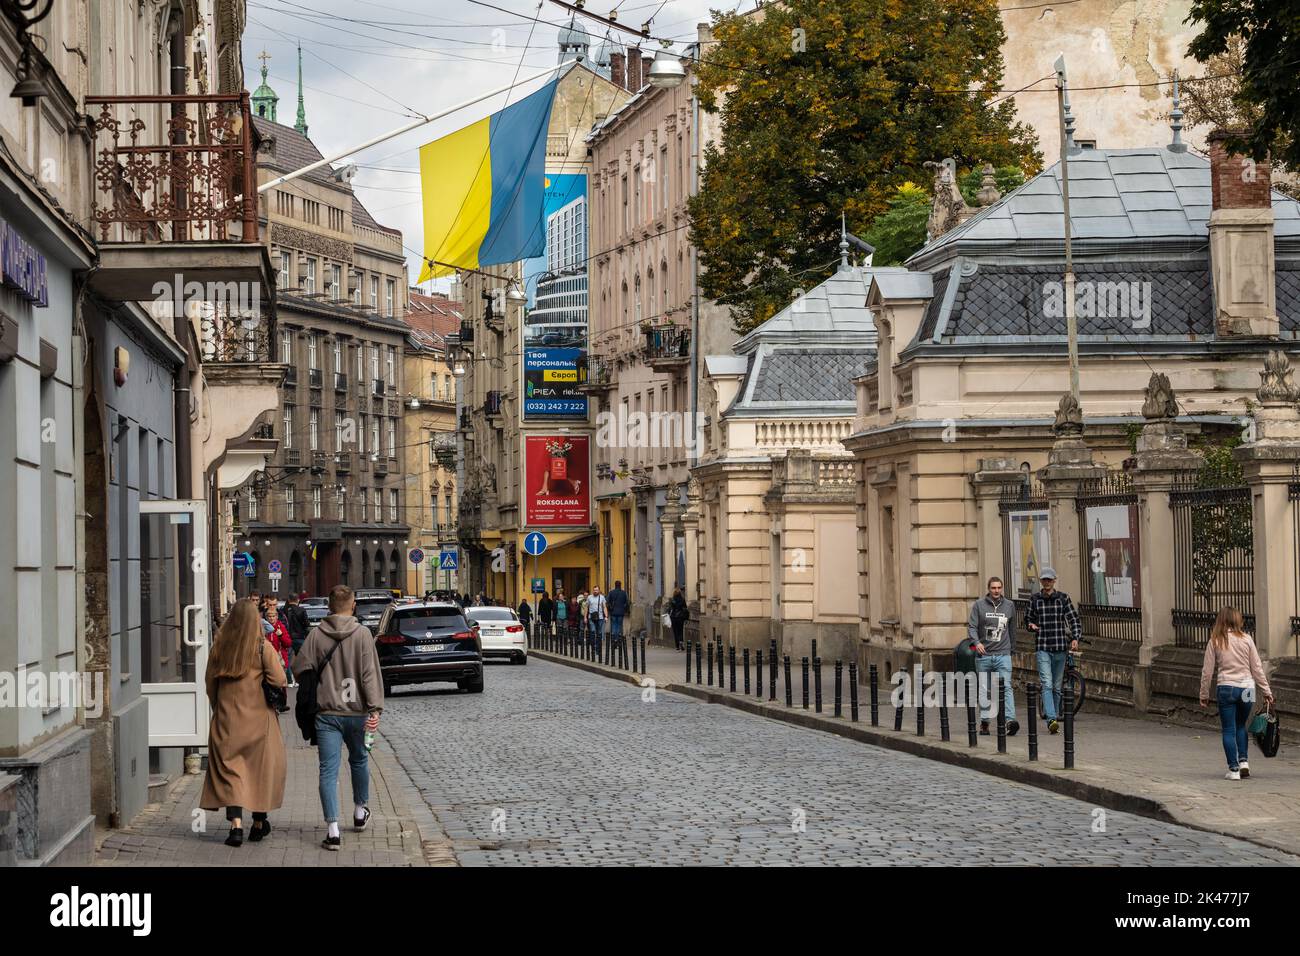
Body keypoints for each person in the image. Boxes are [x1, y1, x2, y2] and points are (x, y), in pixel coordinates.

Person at [292, 585, 384, 850]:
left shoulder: (316, 635)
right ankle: (359, 812)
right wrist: (375, 708)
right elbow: (369, 674)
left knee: (328, 770)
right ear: (353, 605)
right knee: (359, 760)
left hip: (327, 713)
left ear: (329, 607)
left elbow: (298, 668)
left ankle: (333, 831)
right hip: (357, 712)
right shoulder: (364, 634)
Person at [199, 599, 287, 847]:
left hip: (228, 721)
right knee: (259, 772)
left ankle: (235, 827)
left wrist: (220, 707)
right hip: (259, 721)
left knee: (232, 773)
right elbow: (279, 678)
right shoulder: (262, 648)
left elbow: (210, 685)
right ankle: (258, 824)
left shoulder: (220, 648)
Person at [1200, 606, 1273, 780]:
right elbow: (1257, 668)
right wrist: (1266, 691)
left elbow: (1207, 671)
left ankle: (1233, 770)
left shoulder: (1215, 640)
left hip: (1226, 688)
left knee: (1228, 729)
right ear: (1238, 620)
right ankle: (1244, 762)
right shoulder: (1247, 639)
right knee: (1241, 726)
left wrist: (1204, 694)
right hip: (1247, 689)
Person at [1024, 567, 1081, 734]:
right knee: (1047, 684)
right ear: (1041, 581)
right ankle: (1051, 719)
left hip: (1060, 648)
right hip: (1043, 647)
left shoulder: (1063, 599)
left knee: (1057, 686)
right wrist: (1031, 625)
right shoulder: (1035, 600)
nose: (1047, 582)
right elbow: (1028, 618)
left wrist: (1076, 637)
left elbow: (1074, 619)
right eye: (1044, 580)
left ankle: (1054, 716)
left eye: (1050, 579)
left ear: (1054, 580)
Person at [967, 576, 1019, 736]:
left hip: (1003, 655)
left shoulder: (1009, 606)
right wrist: (977, 643)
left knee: (1006, 688)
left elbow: (1012, 630)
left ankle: (1010, 721)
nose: (996, 591)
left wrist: (1012, 650)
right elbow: (972, 627)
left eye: (999, 588)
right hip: (984, 656)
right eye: (993, 588)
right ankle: (985, 721)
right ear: (989, 589)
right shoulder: (979, 605)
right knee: (985, 689)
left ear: (1002, 589)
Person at [264, 604, 294, 687]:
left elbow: (288, 643)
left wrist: (281, 635)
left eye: (273, 616)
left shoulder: (281, 627)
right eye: (269, 616)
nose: (271, 618)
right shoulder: (263, 628)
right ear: (266, 617)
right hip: (267, 659)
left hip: (279, 659)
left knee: (281, 684)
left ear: (277, 616)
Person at [607, 580, 630, 650]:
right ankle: (619, 640)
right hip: (621, 612)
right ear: (620, 585)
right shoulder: (624, 593)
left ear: (615, 585)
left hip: (613, 612)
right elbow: (627, 602)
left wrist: (610, 608)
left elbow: (607, 601)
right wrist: (625, 609)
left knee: (614, 626)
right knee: (619, 626)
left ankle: (614, 640)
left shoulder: (611, 592)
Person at [588, 585, 608, 657]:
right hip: (591, 618)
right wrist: (585, 617)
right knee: (593, 632)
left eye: (596, 590)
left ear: (599, 591)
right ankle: (593, 648)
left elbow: (604, 607)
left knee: (599, 634)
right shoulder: (589, 597)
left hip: (600, 618)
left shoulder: (602, 597)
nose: (595, 591)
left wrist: (606, 616)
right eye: (594, 590)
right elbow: (587, 608)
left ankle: (597, 649)